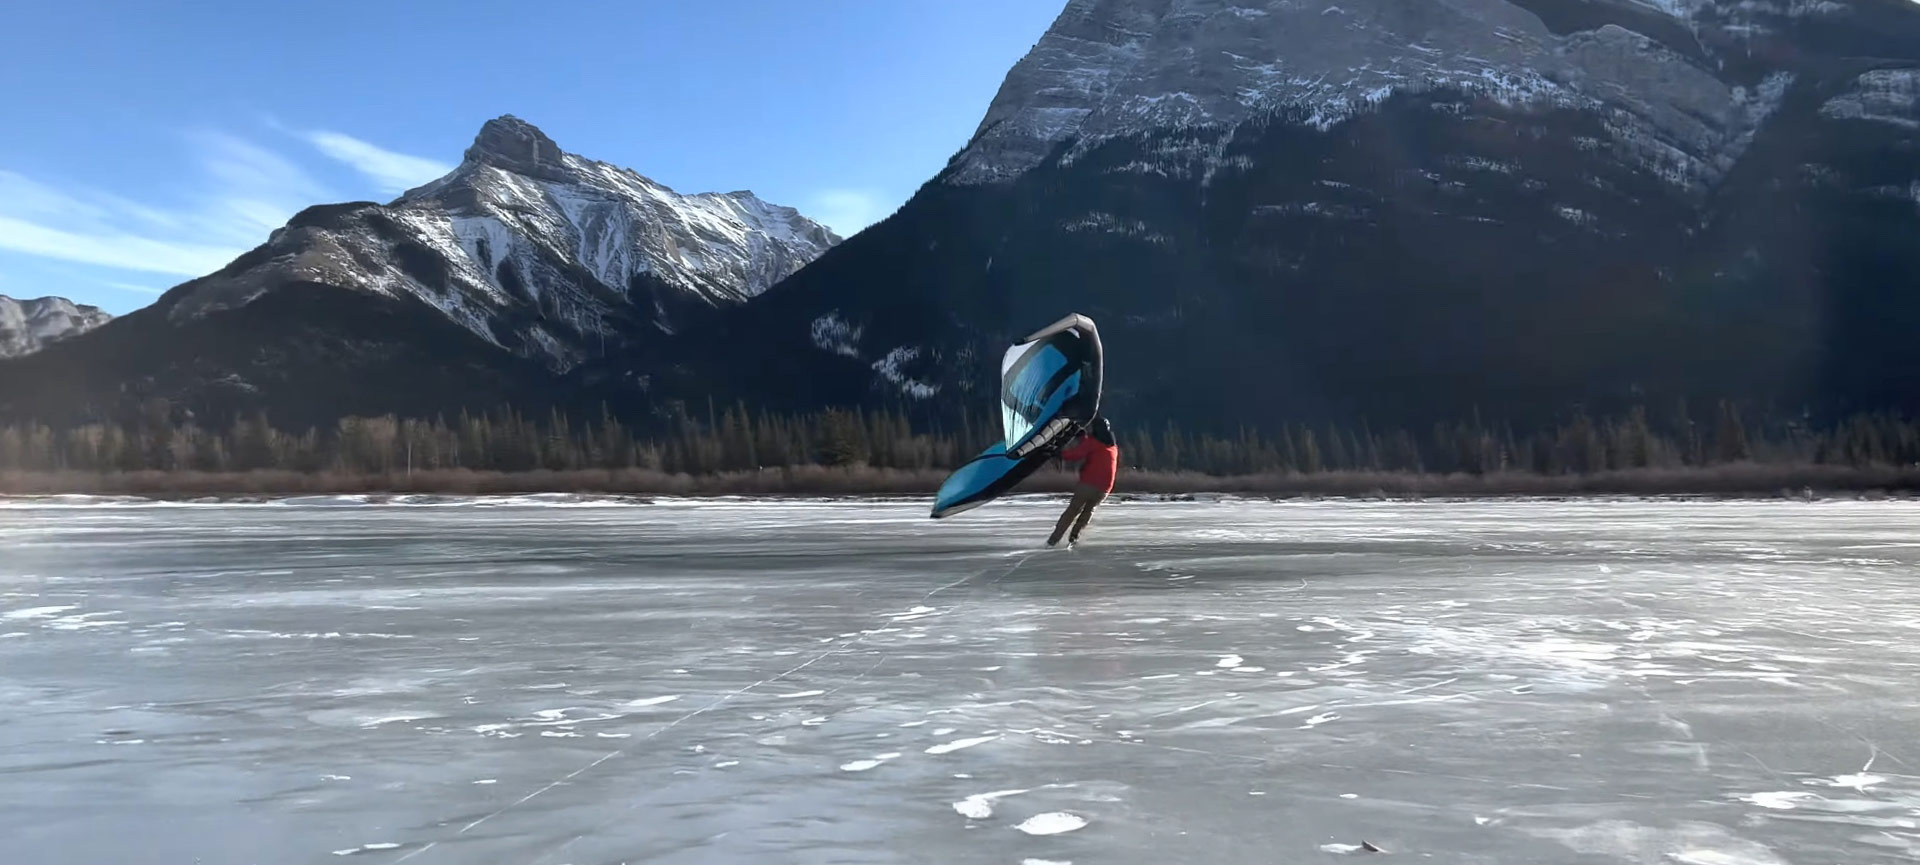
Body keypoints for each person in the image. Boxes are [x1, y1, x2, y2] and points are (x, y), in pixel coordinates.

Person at [1048, 416, 1119, 548]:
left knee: (1073, 510)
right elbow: (1092, 448)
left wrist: (1059, 454)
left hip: (1089, 484)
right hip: (1105, 488)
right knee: (1088, 511)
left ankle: (1053, 540)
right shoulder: (1112, 446)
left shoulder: (1093, 442)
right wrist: (1082, 438)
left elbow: (1077, 454)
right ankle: (1074, 537)